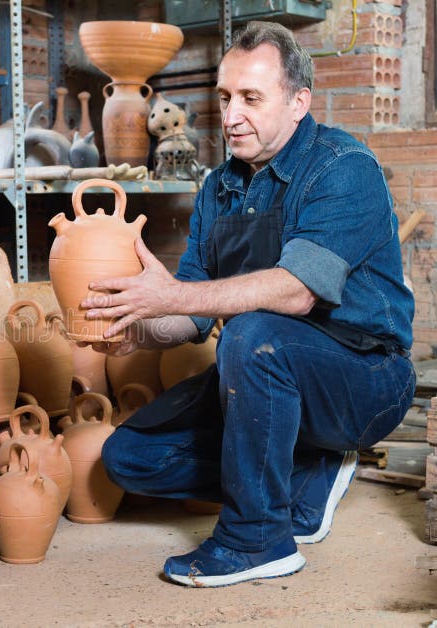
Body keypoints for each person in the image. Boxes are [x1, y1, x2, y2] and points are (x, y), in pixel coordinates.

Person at [81, 20, 416, 587]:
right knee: (128, 458)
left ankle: (257, 539)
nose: (231, 115)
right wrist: (135, 322)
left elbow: (296, 289)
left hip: (366, 379)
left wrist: (177, 295)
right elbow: (188, 314)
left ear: (298, 102)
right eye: (225, 97)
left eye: (251, 99)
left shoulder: (342, 167)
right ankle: (308, 466)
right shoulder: (219, 187)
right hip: (264, 368)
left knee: (252, 334)